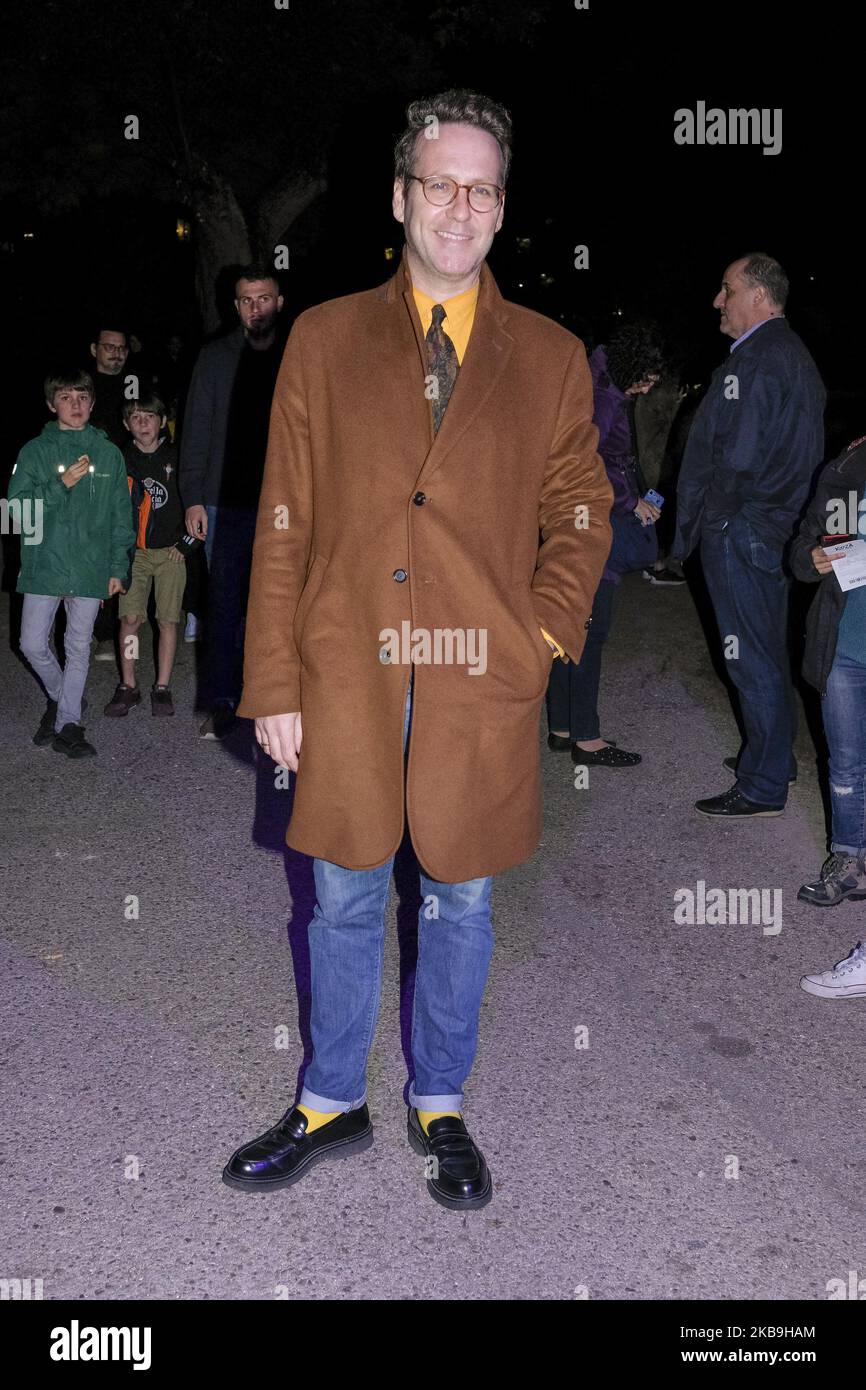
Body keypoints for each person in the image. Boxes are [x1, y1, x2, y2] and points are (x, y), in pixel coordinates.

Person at [221, 89, 612, 1210]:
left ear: (499, 208)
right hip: (344, 670)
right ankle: (330, 1098)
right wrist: (274, 682)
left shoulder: (544, 354)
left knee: (460, 903)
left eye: (479, 187)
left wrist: (541, 634)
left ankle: (439, 1101)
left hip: (478, 680)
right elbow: (283, 516)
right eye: (436, 182)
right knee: (341, 898)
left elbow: (581, 507)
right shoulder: (323, 336)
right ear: (399, 196)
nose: (457, 205)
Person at [671, 252, 826, 817]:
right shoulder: (788, 353)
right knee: (764, 650)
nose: (718, 300)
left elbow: (735, 459)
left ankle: (763, 785)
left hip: (746, 530)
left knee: (750, 659)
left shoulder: (759, 360)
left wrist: (712, 521)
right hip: (772, 529)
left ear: (759, 296)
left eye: (726, 289)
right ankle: (772, 758)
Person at [546, 321, 664, 766]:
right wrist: (631, 501)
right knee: (590, 631)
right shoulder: (606, 398)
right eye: (649, 375)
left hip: (577, 523)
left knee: (570, 625)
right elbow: (585, 462)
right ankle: (587, 739)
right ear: (634, 366)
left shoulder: (594, 382)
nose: (651, 386)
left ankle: (562, 727)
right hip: (595, 525)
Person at [7, 369, 134, 757]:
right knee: (30, 643)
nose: (75, 405)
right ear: (51, 404)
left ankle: (68, 725)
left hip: (90, 567)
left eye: (82, 397)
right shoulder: (33, 451)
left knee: (78, 647)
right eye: (66, 397)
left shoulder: (109, 453)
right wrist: (59, 486)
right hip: (44, 565)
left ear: (92, 404)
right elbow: (14, 514)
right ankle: (64, 702)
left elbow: (121, 517)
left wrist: (118, 567)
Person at [181, 269, 285, 738]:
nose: (255, 307)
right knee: (224, 605)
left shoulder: (296, 353)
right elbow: (196, 428)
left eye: (264, 298)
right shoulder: (215, 357)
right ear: (236, 306)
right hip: (224, 504)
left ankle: (277, 697)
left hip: (284, 505)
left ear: (279, 302)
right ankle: (224, 700)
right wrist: (193, 498)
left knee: (280, 605)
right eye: (246, 300)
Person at [789, 433, 866, 998]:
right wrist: (811, 558)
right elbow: (802, 550)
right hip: (846, 647)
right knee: (844, 767)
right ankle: (849, 862)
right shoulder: (848, 469)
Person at [104, 394, 194, 719]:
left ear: (161, 422)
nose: (143, 422)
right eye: (136, 417)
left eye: (150, 416)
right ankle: (129, 686)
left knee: (167, 620)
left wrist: (186, 544)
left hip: (171, 553)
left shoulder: (178, 458)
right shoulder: (120, 460)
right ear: (127, 425)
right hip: (135, 554)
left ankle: (162, 686)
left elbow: (196, 504)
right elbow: (110, 509)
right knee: (130, 619)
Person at [88, 324, 133, 661]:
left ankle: (115, 631)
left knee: (120, 555)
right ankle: (92, 630)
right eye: (109, 347)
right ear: (95, 349)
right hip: (88, 481)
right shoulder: (82, 385)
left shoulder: (135, 385)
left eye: (120, 348)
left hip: (124, 481)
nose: (115, 353)